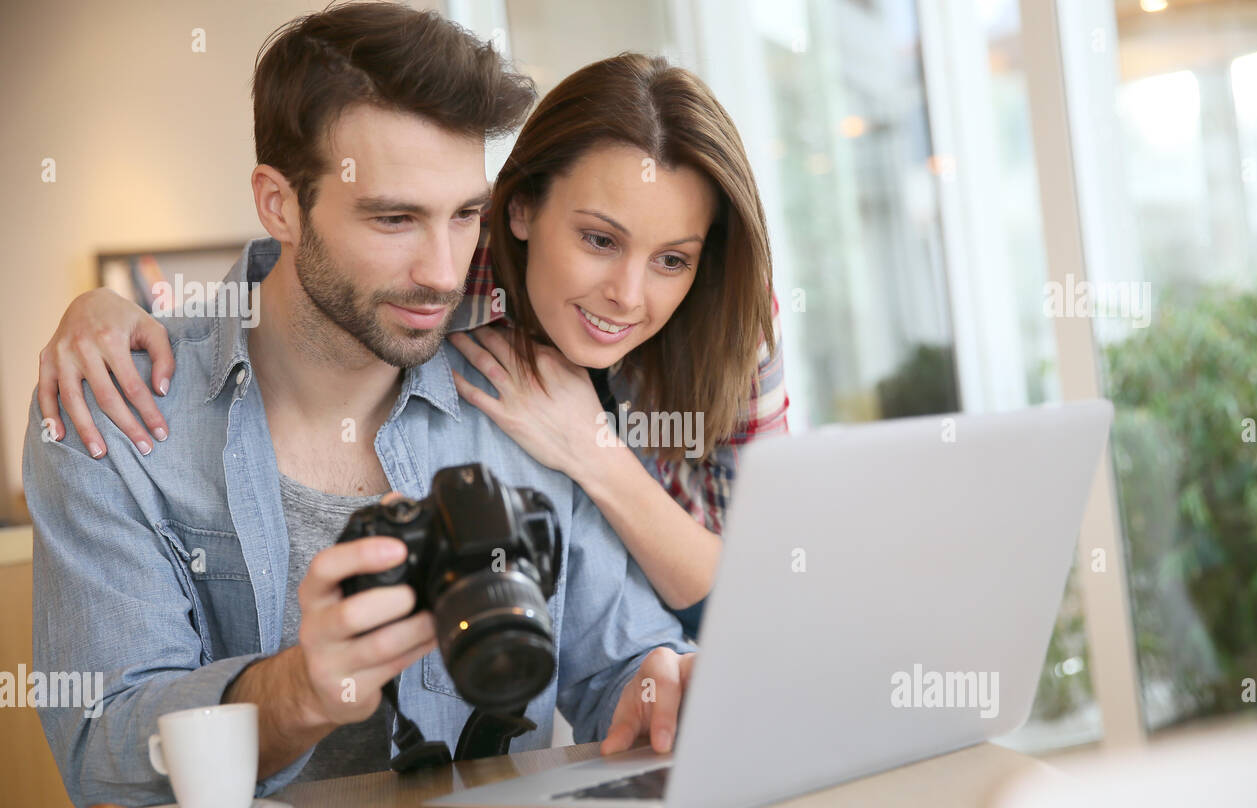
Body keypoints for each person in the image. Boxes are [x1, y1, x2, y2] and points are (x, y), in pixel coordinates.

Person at [23, 2, 698, 808]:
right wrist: (299, 693)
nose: (443, 273)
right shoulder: (111, 409)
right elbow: (103, 754)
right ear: (279, 203)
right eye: (394, 218)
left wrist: (656, 683)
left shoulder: (526, 400)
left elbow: (621, 664)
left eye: (465, 215)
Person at [36, 55, 791, 639]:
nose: (627, 294)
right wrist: (102, 311)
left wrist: (594, 452)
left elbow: (765, 600)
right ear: (519, 209)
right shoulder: (451, 277)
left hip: (692, 651)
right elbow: (315, 278)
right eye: (599, 240)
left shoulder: (732, 323)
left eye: (672, 259)